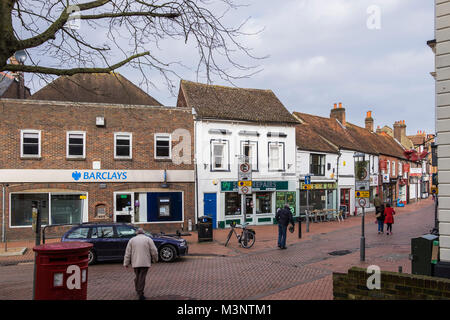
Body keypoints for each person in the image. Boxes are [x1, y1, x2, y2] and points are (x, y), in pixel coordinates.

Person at [123, 228, 159, 300]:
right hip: (145, 262)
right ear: (143, 233)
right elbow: (154, 251)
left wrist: (126, 263)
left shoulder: (132, 240)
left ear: (137, 233)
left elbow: (128, 253)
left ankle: (137, 288)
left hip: (135, 262)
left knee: (138, 275)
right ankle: (140, 293)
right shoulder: (148, 239)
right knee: (142, 277)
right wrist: (155, 259)